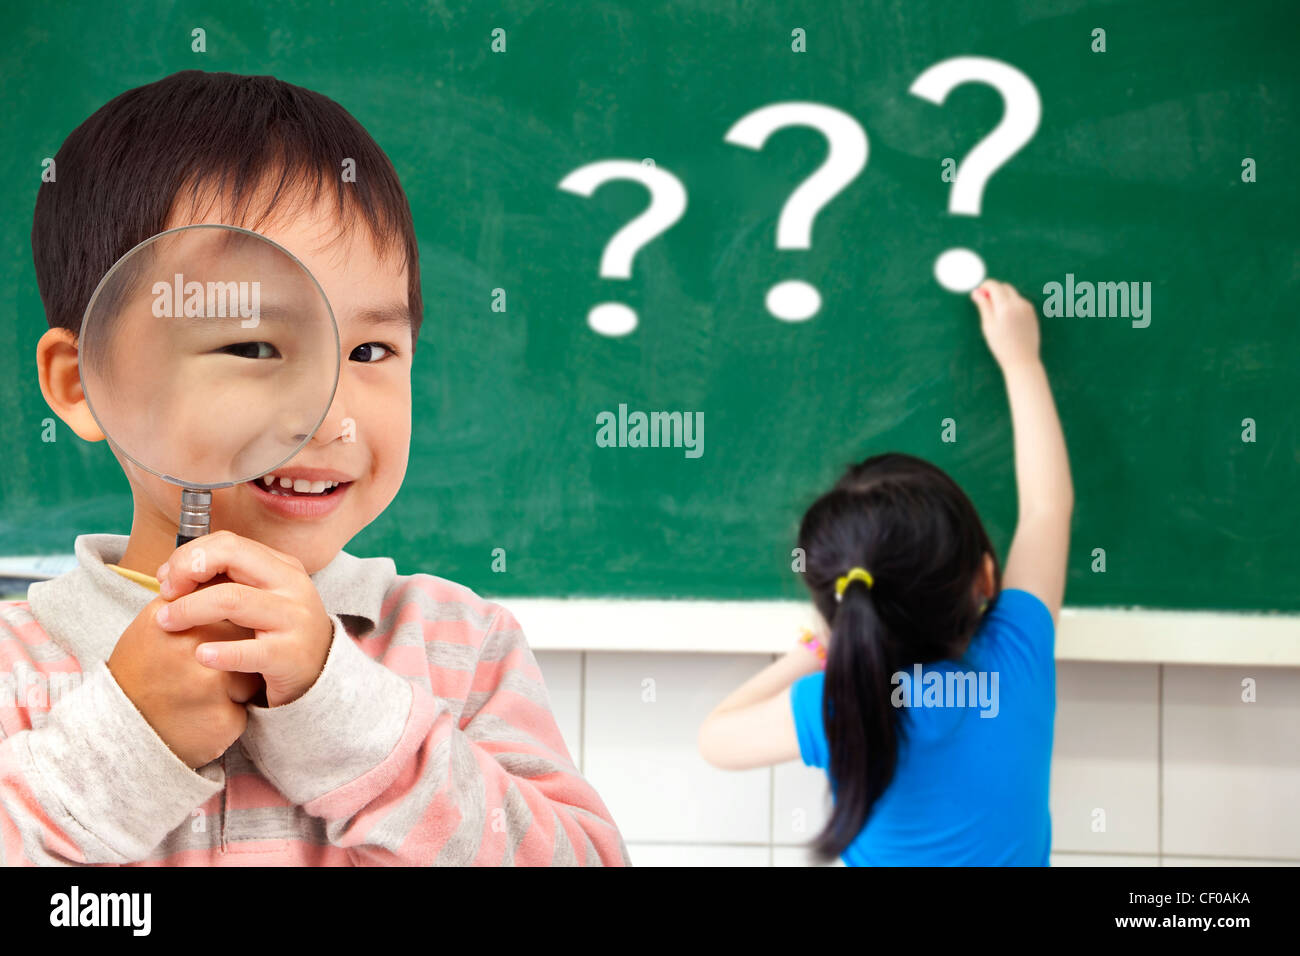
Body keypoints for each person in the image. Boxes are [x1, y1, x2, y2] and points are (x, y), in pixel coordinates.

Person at [1, 69, 630, 866]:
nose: (329, 411)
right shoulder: (19, 666)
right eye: (255, 346)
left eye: (370, 350)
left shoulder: (461, 648)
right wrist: (125, 745)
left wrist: (345, 717)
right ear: (83, 380)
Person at [698, 279, 1073, 865]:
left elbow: (715, 738)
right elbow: (1048, 508)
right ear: (985, 578)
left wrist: (818, 653)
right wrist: (1021, 359)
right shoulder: (1016, 655)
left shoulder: (839, 702)